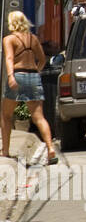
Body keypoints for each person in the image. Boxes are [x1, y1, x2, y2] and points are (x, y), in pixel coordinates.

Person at [2, 12, 56, 164]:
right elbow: (42, 59)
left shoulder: (9, 39)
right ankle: (50, 148)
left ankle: (5, 150)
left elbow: (9, 58)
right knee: (39, 117)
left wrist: (11, 76)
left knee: (6, 115)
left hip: (17, 75)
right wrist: (36, 71)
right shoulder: (33, 38)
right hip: (33, 76)